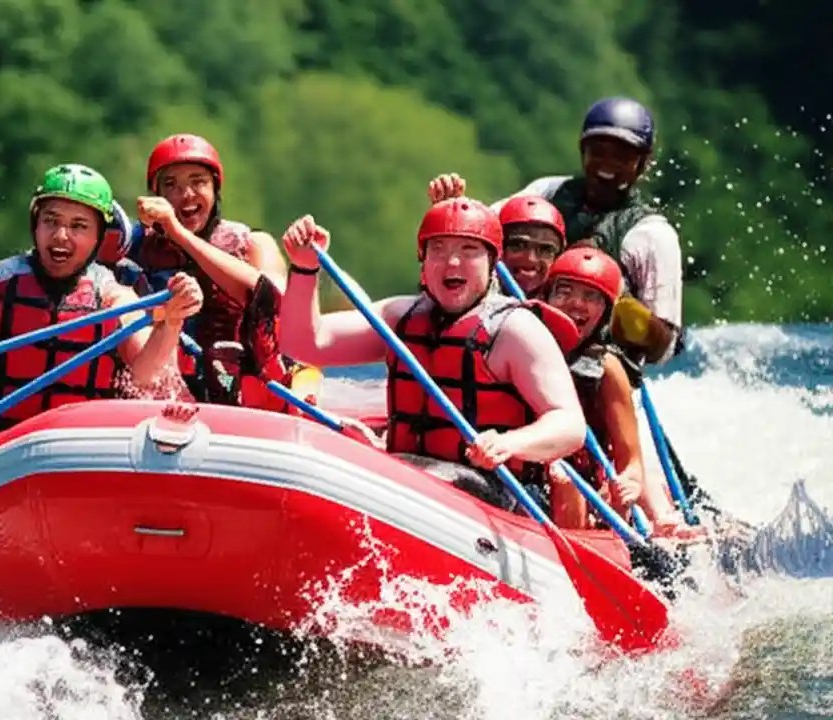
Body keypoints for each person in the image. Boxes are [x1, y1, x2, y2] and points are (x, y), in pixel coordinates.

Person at [0, 163, 203, 490]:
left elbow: (150, 377)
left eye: (78, 226)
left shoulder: (114, 299)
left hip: (75, 452)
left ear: (98, 236)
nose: (61, 236)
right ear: (35, 225)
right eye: (51, 221)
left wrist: (171, 323)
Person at [277, 197, 586, 513]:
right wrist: (304, 267)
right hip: (409, 472)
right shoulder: (400, 317)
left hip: (492, 490)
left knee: (410, 480)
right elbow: (304, 344)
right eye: (438, 250)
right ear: (423, 264)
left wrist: (510, 444)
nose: (452, 263)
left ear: (493, 264)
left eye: (468, 251)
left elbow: (570, 425)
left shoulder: (515, 329)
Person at [429, 96, 684, 369]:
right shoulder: (547, 192)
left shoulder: (653, 235)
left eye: (622, 156)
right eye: (598, 151)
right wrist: (455, 206)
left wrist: (624, 311)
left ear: (643, 163)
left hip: (594, 368)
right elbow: (483, 230)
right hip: (517, 344)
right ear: (583, 152)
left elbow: (664, 348)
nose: (607, 164)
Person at [124, 133, 322, 411]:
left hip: (243, 393)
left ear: (215, 190)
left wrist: (178, 233)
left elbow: (274, 302)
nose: (187, 195)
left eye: (198, 182)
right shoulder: (136, 248)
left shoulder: (253, 245)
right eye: (171, 185)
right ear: (157, 197)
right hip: (165, 389)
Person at [542, 247, 700, 536]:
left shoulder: (607, 368)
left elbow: (631, 462)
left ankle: (587, 545)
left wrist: (629, 482)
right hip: (528, 470)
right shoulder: (523, 345)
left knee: (563, 477)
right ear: (547, 298)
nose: (576, 303)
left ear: (604, 313)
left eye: (591, 296)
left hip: (585, 482)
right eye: (564, 292)